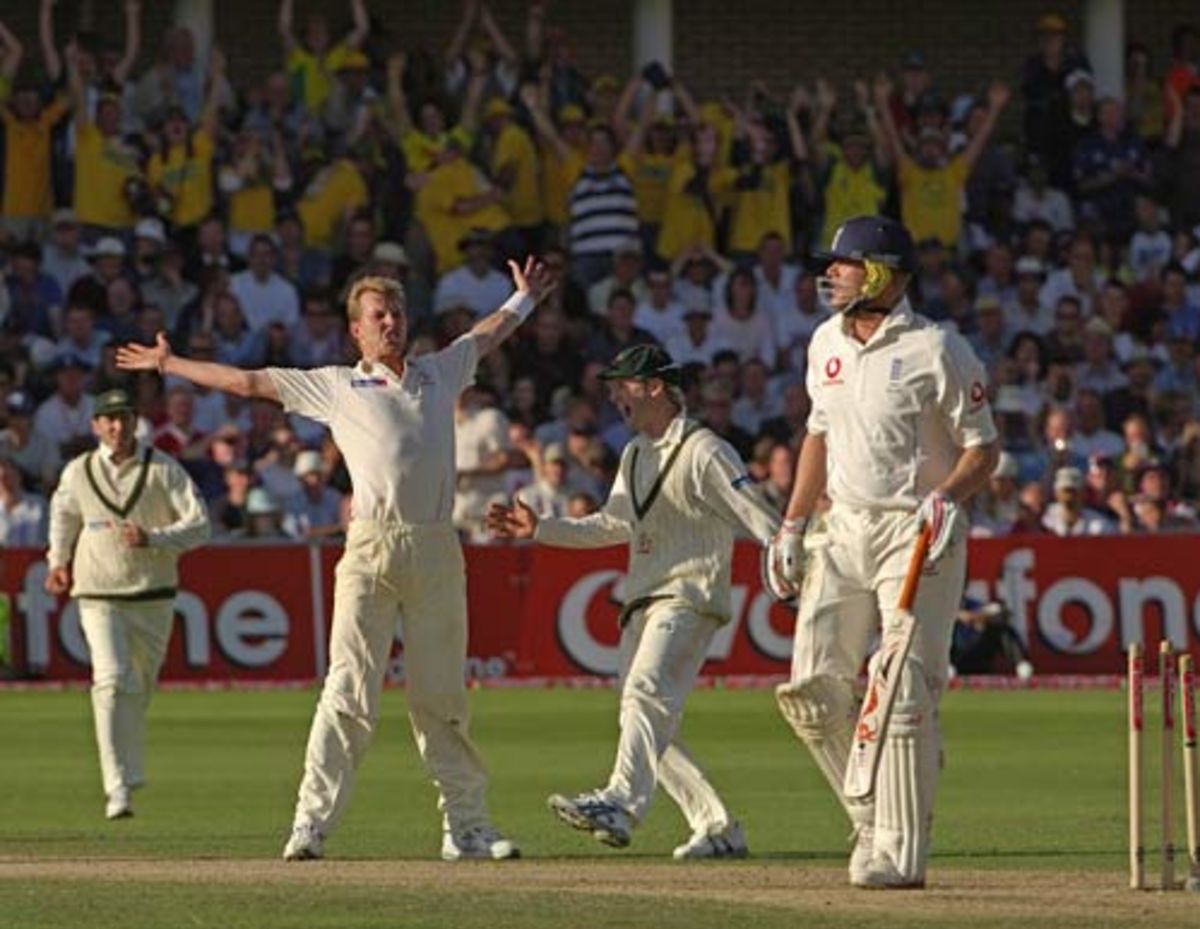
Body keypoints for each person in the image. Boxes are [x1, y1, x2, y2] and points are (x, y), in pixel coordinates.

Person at [115, 257, 553, 862]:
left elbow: (486, 334)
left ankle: (466, 828)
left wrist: (523, 299)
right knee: (348, 692)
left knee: (442, 698)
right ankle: (311, 826)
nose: (392, 322)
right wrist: (169, 364)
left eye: (397, 313)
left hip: (435, 547)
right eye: (379, 316)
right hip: (371, 547)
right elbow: (246, 383)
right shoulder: (338, 385)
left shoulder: (440, 372)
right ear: (358, 331)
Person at [769, 215, 999, 889]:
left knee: (900, 694)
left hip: (916, 530)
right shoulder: (823, 343)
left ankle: (899, 852)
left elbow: (984, 448)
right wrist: (792, 522)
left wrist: (948, 497)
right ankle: (872, 815)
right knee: (812, 693)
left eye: (844, 263)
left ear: (884, 272)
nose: (831, 273)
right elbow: (817, 434)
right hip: (841, 529)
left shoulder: (939, 347)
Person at [486, 344, 782, 859]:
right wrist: (544, 529)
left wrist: (790, 561)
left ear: (654, 388)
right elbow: (614, 523)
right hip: (643, 598)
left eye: (623, 385)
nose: (614, 396)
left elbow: (755, 512)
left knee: (644, 693)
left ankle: (621, 801)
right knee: (644, 721)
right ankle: (718, 827)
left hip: (689, 594)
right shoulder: (635, 453)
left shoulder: (705, 449)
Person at [44, 388, 210, 820]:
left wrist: (154, 539)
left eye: (124, 418)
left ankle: (130, 770)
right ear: (96, 425)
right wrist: (58, 561)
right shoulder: (79, 470)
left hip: (152, 591)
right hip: (97, 590)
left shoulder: (163, 469)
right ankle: (116, 787)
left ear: (137, 421)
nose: (117, 427)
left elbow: (201, 526)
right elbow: (63, 514)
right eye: (109, 419)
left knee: (140, 685)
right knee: (111, 680)